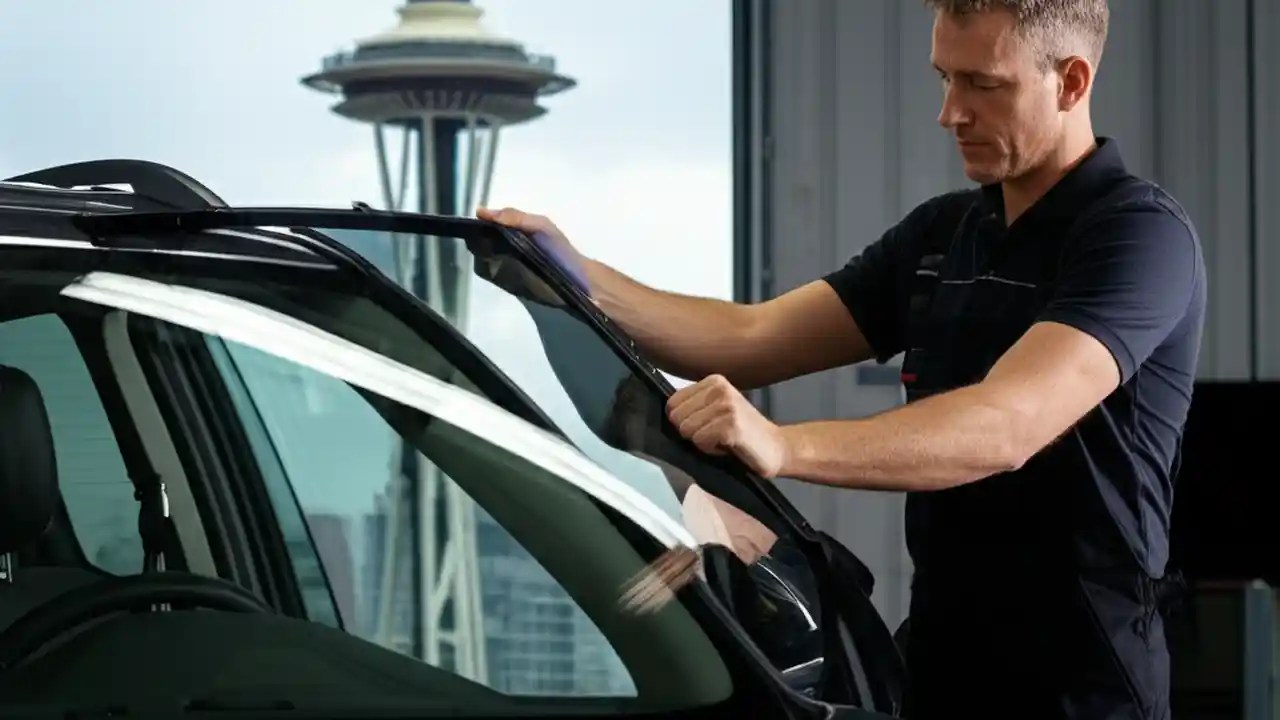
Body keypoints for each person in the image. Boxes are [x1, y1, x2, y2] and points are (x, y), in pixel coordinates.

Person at [478, 0, 1204, 716]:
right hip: (940, 662)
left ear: (1071, 82)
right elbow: (751, 337)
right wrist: (575, 274)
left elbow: (1006, 424)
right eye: (943, 79)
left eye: (984, 85)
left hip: (1081, 682)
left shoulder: (1138, 238)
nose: (951, 113)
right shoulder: (943, 235)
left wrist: (781, 445)